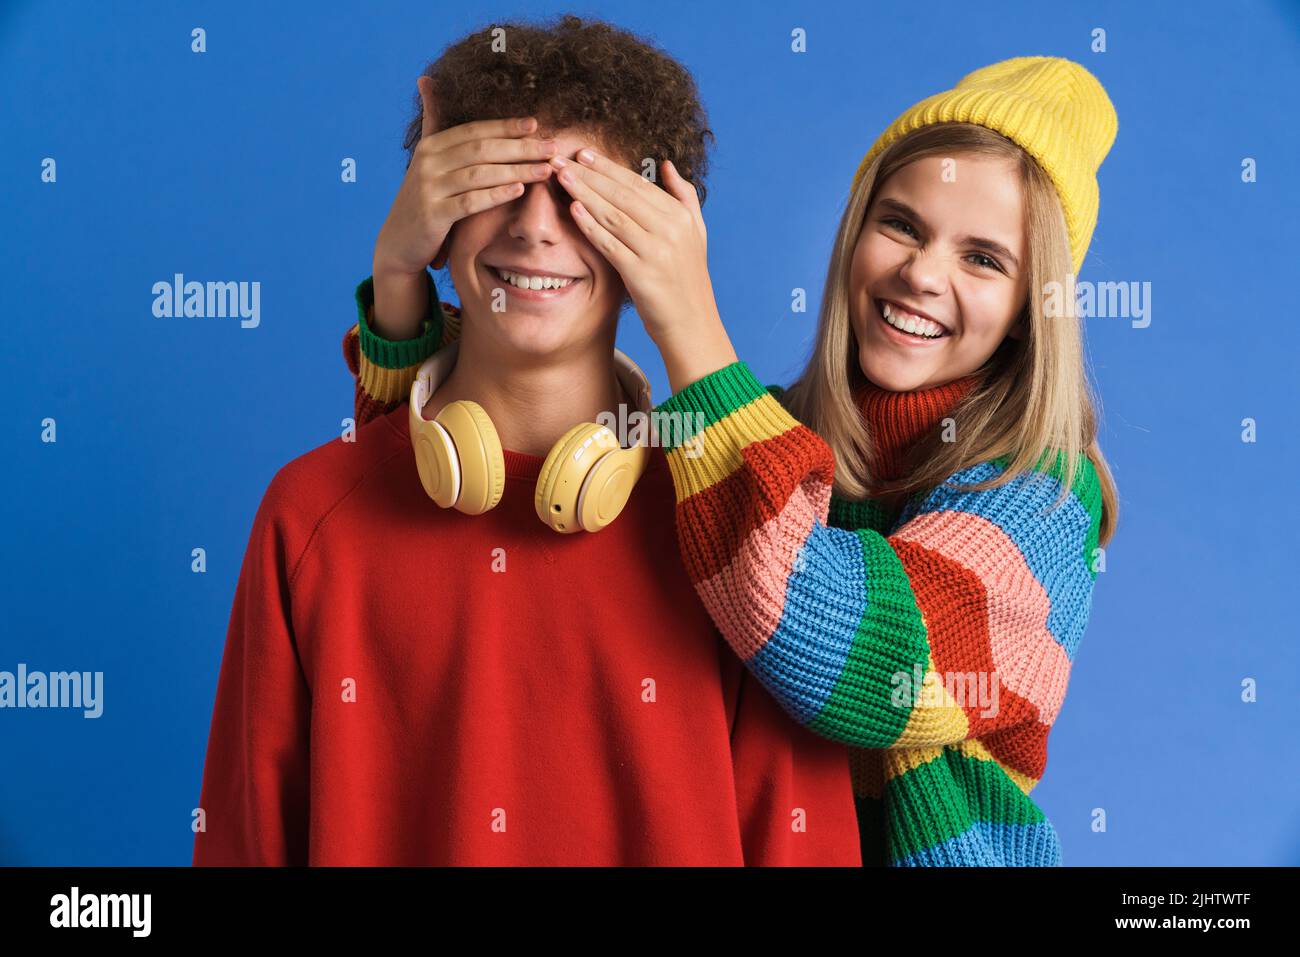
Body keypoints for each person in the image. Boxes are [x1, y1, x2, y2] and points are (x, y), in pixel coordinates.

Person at [349, 56, 1121, 866]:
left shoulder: (1041, 497)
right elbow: (418, 507)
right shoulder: (772, 443)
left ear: (1037, 310)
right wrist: (401, 276)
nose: (923, 274)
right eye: (901, 225)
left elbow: (854, 661)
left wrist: (688, 321)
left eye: (984, 259)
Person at [193, 15, 860, 867]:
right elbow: (245, 839)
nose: (536, 228)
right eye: (498, 184)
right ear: (436, 213)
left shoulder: (744, 540)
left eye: (586, 194)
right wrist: (394, 273)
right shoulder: (312, 515)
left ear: (655, 236)